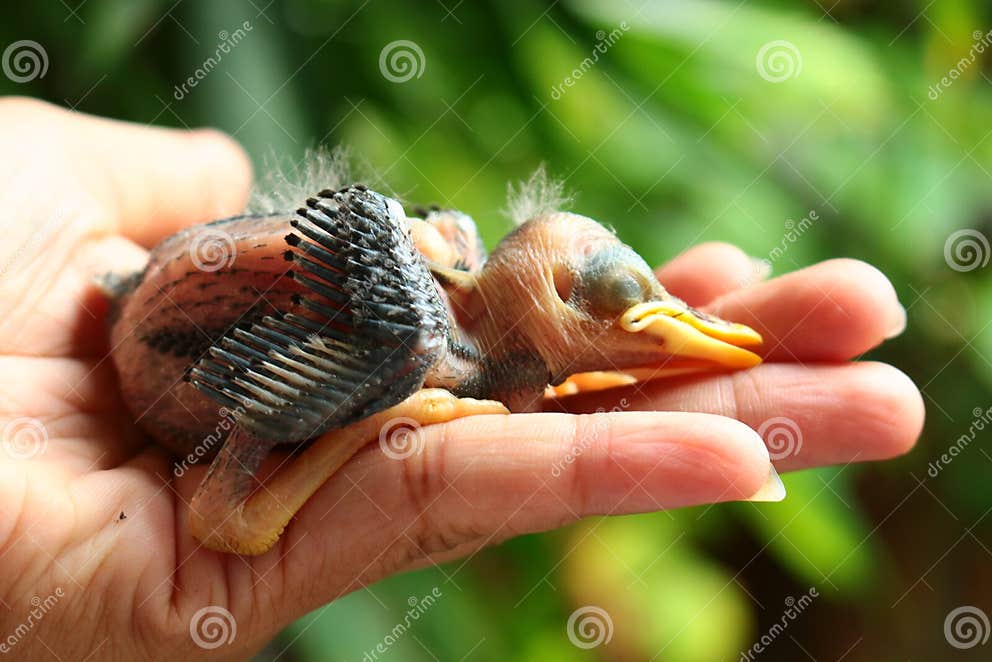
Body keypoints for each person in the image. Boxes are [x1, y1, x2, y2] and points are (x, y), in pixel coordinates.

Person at [0, 97, 923, 660]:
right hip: (174, 357)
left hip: (153, 299)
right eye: (598, 309)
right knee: (369, 375)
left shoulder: (447, 272)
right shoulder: (413, 334)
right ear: (549, 298)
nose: (644, 333)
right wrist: (359, 429)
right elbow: (219, 522)